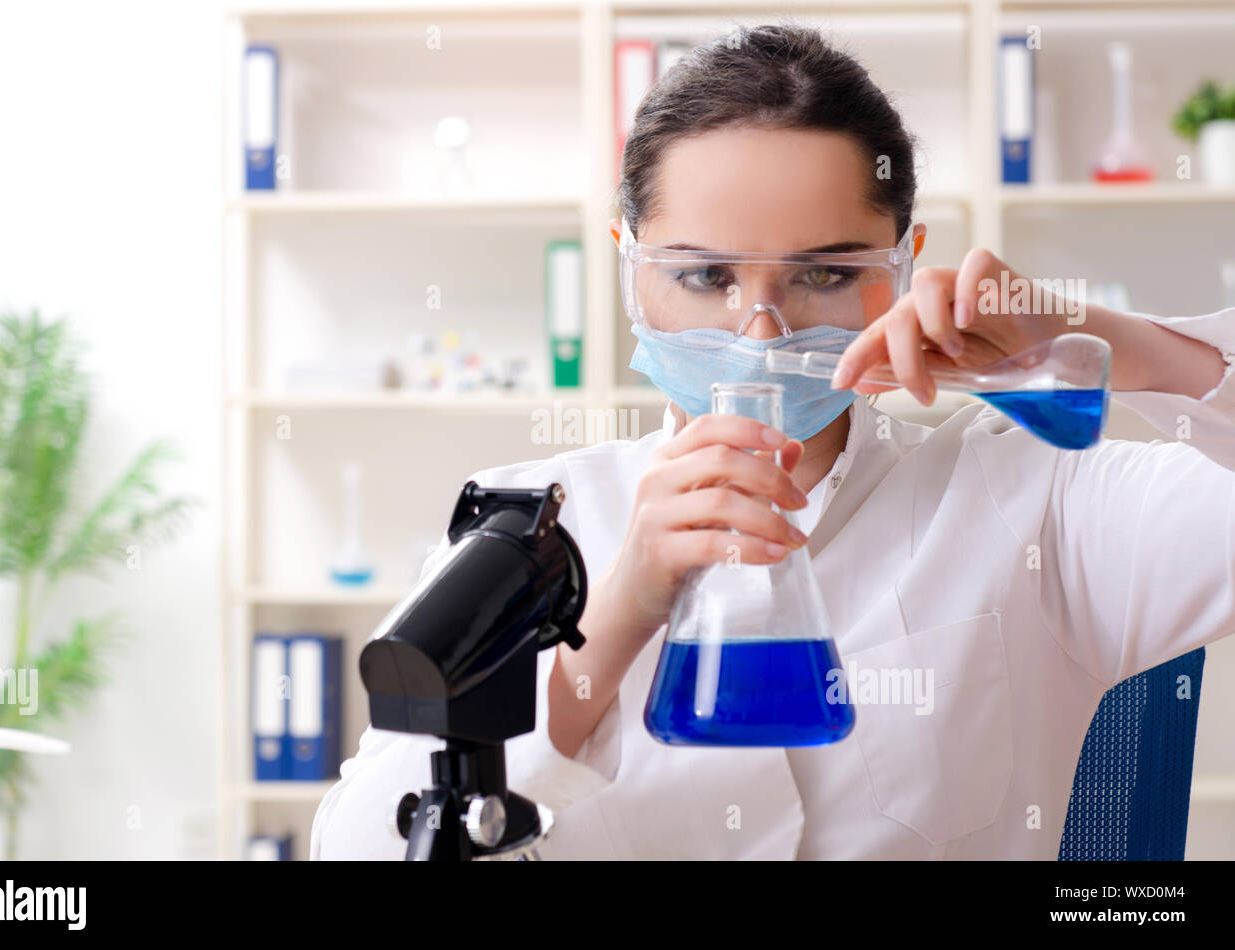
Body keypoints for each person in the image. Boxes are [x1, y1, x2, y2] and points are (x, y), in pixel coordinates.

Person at [311, 24, 1234, 860]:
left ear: (903, 267)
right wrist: (614, 622)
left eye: (827, 273)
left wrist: (1112, 342)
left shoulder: (1040, 499)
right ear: (630, 266)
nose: (760, 334)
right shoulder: (522, 523)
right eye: (704, 274)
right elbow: (362, 849)